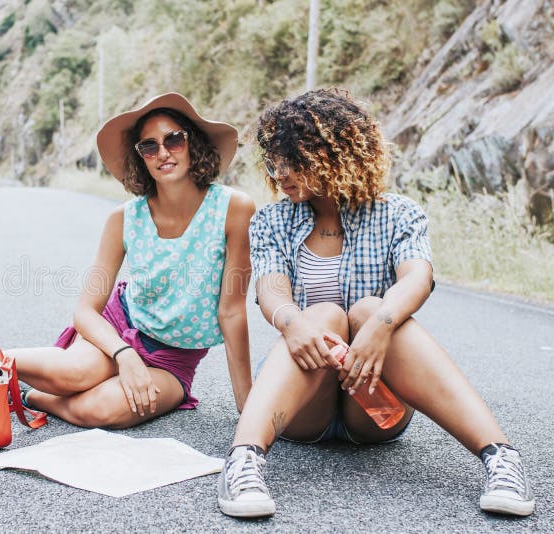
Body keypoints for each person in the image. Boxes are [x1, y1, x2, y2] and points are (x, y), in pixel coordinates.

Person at [216, 88, 535, 518]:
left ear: (334, 152)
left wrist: (379, 327)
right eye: (274, 161)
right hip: (303, 404)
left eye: (292, 159)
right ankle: (243, 462)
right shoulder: (272, 220)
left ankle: (502, 460)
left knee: (370, 309)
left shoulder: (398, 214)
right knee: (323, 315)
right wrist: (292, 322)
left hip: (374, 405)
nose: (280, 173)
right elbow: (271, 289)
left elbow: (417, 277)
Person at [8, 93, 256, 429]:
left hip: (172, 361)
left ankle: (32, 397)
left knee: (102, 410)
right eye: (149, 147)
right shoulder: (123, 218)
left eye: (173, 139)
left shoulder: (234, 208)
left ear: (193, 143)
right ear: (141, 158)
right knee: (75, 374)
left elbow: (232, 311)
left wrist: (247, 405)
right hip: (118, 328)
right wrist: (123, 354)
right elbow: (85, 311)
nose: (163, 153)